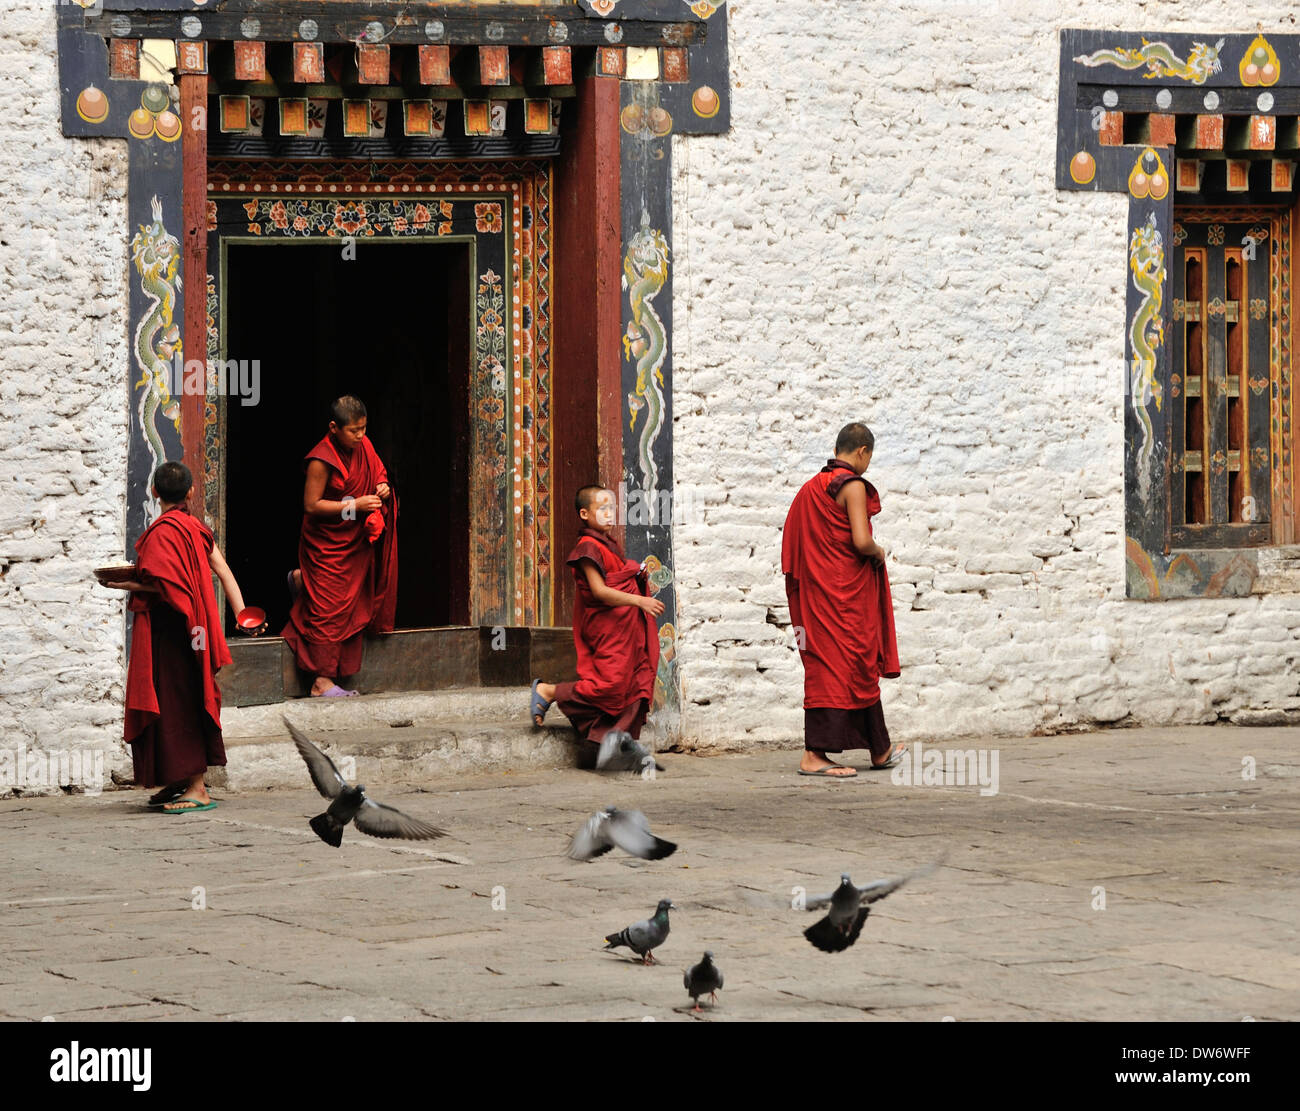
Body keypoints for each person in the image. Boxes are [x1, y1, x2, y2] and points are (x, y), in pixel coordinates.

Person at [107, 461, 254, 812]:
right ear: (190, 492)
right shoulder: (196, 529)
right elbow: (223, 570)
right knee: (186, 698)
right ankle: (178, 780)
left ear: (154, 492)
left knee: (179, 704)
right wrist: (243, 615)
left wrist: (121, 583)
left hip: (173, 633)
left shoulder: (160, 533)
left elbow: (161, 586)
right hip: (197, 631)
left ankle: (198, 788)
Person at [782, 422, 905, 778]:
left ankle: (880, 750)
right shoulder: (851, 485)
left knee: (844, 666)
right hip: (844, 598)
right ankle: (813, 755)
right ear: (862, 452)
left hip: (819, 595)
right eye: (869, 457)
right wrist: (879, 552)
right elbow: (861, 541)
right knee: (850, 664)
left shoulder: (810, 488)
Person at [530, 485, 664, 744]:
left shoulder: (608, 544)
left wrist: (634, 574)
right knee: (610, 685)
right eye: (602, 508)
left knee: (634, 683)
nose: (609, 514)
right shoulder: (587, 548)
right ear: (584, 513)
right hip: (607, 628)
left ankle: (615, 744)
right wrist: (639, 600)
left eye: (612, 508)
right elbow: (600, 591)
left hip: (623, 627)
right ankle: (548, 691)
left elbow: (619, 576)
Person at [282, 396, 397, 697]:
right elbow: (311, 505)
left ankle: (301, 581)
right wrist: (354, 505)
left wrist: (382, 487)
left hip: (353, 544)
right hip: (326, 544)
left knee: (346, 604)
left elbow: (377, 473)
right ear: (334, 428)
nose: (360, 436)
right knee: (328, 609)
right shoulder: (321, 460)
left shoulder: (364, 446)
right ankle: (321, 681)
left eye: (364, 429)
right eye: (354, 430)